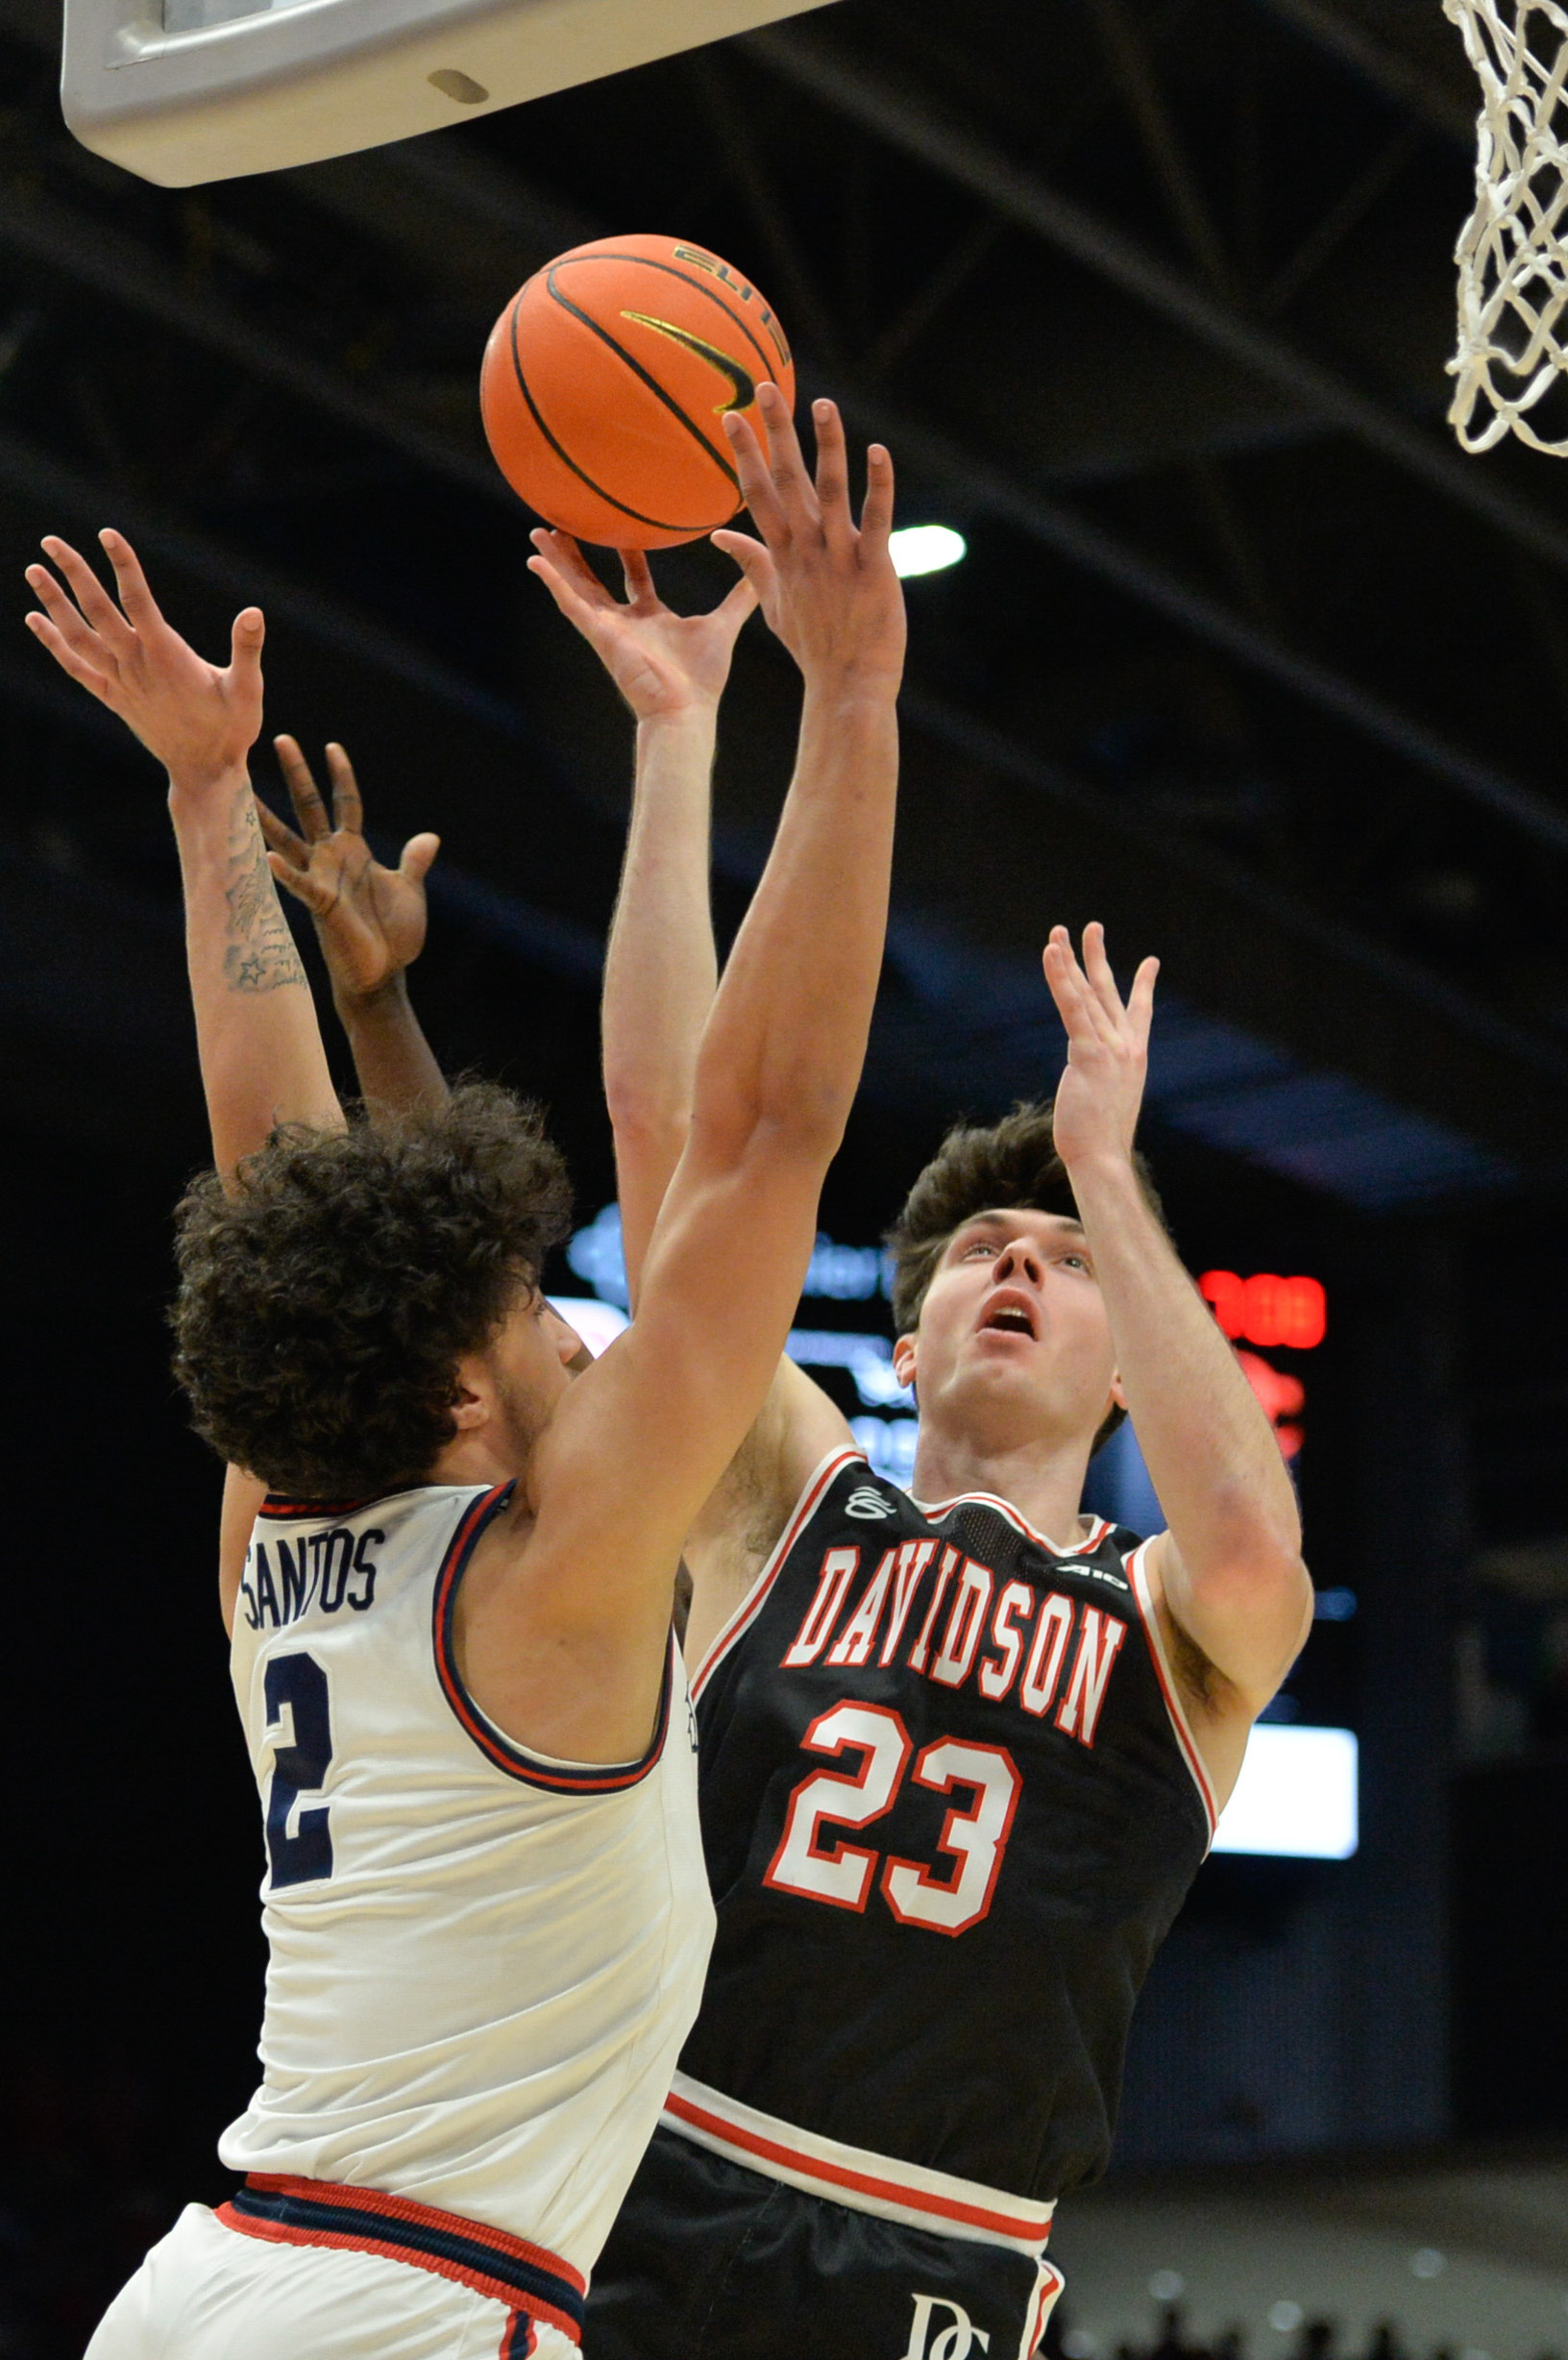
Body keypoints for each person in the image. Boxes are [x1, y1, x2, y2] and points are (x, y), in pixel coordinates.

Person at [257, 516, 1309, 2356]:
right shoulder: (790, 1497)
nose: (1018, 1270)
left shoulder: (1173, 1633)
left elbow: (1250, 1552)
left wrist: (1103, 1169)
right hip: (652, 2164)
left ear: (1129, 1351)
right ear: (907, 1335)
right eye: (983, 1248)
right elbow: (681, 1137)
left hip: (941, 2250)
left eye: (1064, 1267)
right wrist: (677, 741)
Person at [21, 383, 906, 2360]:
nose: (557, 1307)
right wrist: (852, 700)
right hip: (405, 2311)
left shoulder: (291, 1524)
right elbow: (759, 1134)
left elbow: (280, 1170)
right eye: (521, 1305)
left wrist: (201, 802)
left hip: (228, 2276)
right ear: (459, 1393)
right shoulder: (558, 1584)